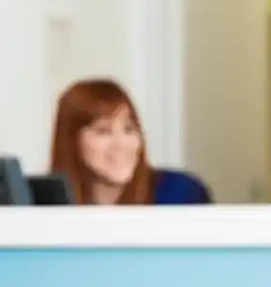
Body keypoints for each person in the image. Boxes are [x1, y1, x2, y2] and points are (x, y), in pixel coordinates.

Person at [50, 78, 212, 205]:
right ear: (72, 141)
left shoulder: (180, 193)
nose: (121, 143)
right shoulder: (45, 202)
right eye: (103, 131)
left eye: (129, 129)